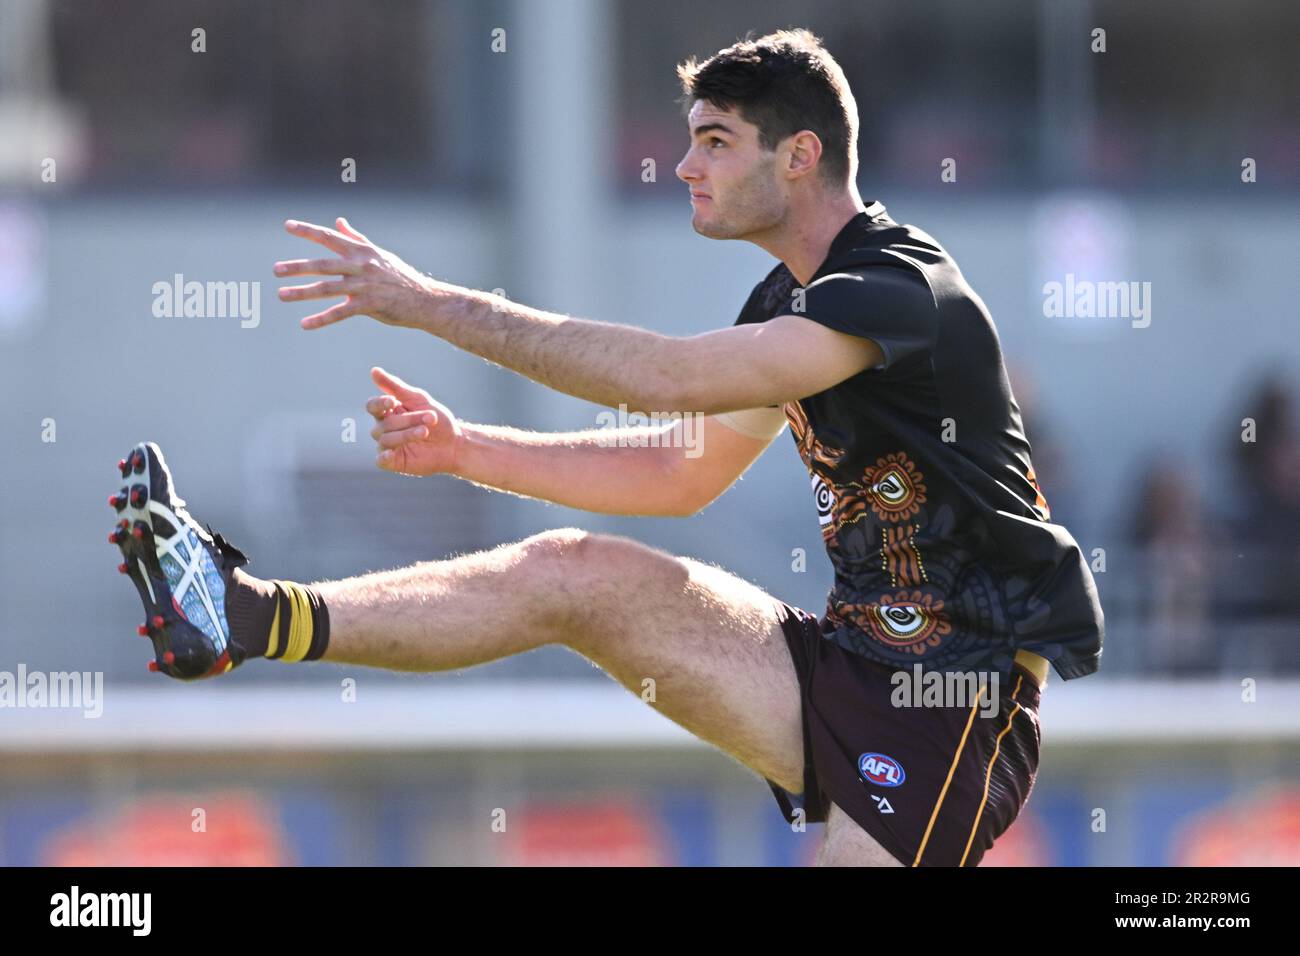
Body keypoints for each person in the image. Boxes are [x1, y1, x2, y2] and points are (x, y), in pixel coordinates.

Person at [108, 29, 1102, 866]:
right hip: (843, 661)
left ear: (797, 156)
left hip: (954, 701)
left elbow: (664, 378)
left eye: (715, 141)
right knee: (568, 573)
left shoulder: (898, 286)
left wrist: (429, 304)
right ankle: (240, 613)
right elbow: (676, 470)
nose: (683, 166)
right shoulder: (791, 302)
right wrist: (468, 449)